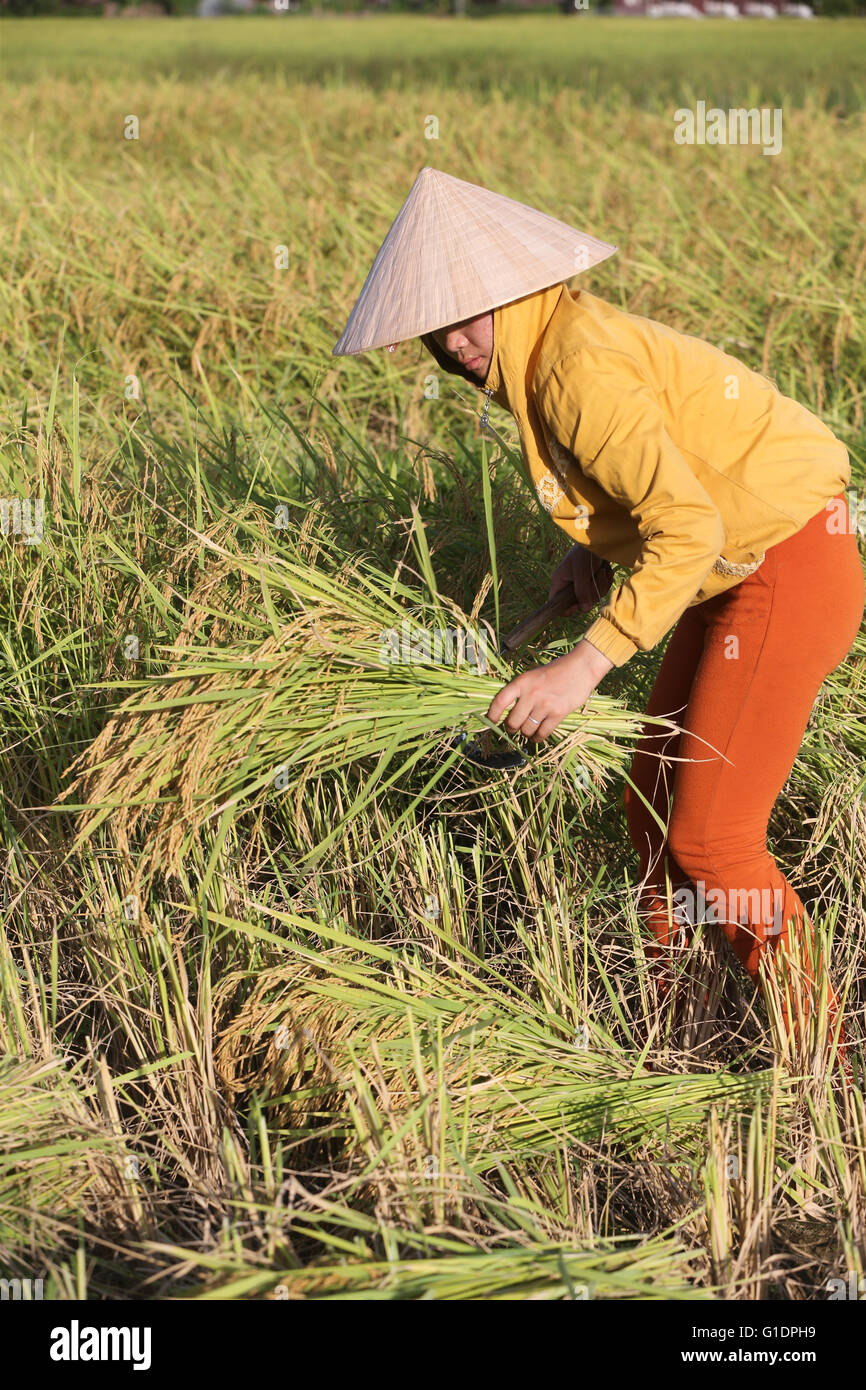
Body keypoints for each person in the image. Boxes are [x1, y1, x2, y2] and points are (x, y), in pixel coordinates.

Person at [333, 167, 863, 1064]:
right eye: (435, 329)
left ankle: (825, 1059)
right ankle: (677, 1023)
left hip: (786, 563)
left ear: (516, 291)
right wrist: (596, 551)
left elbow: (688, 523)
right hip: (733, 565)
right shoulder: (546, 349)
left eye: (468, 316)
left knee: (712, 837)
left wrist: (584, 664)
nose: (454, 344)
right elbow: (661, 480)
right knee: (650, 805)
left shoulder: (572, 366)